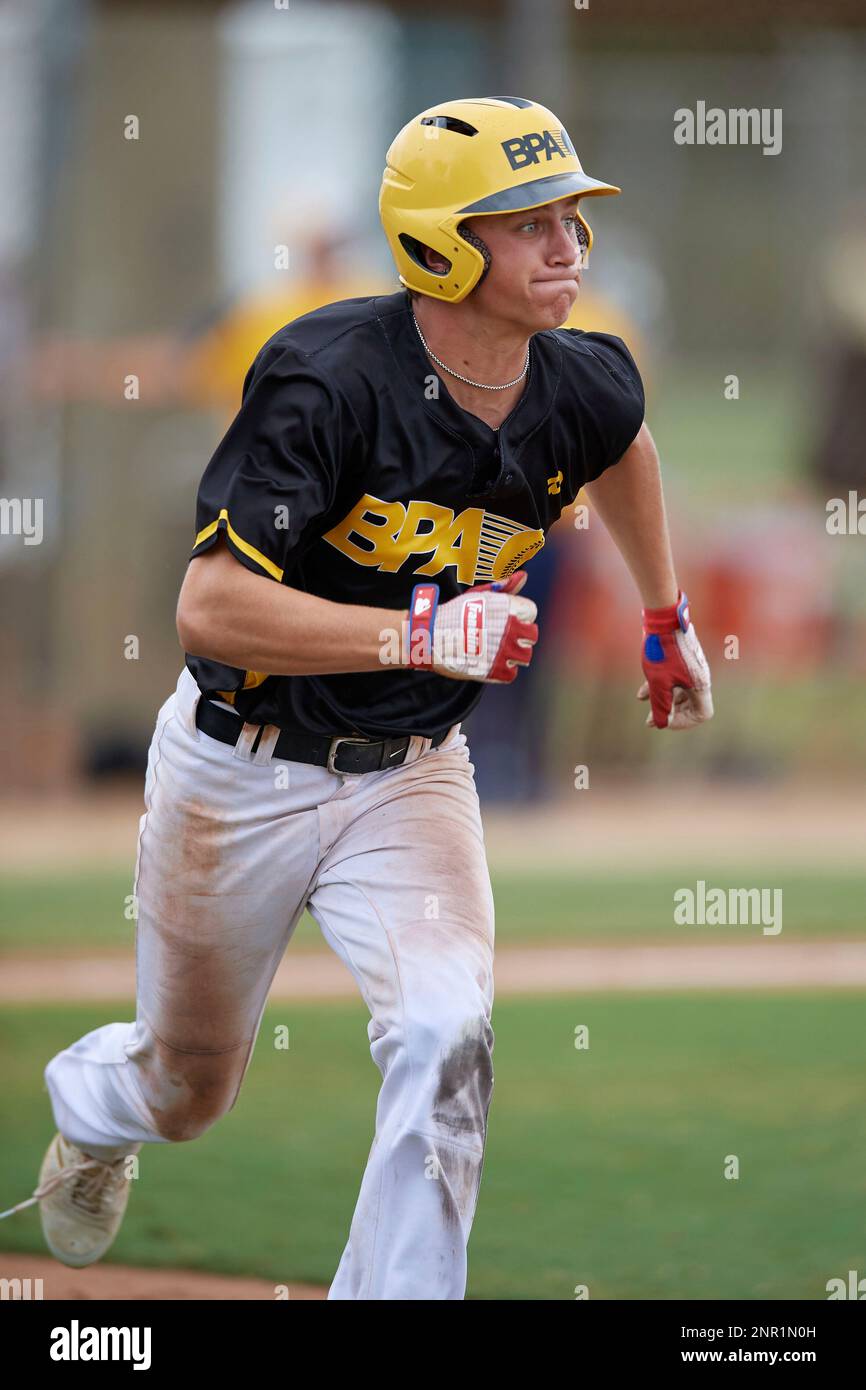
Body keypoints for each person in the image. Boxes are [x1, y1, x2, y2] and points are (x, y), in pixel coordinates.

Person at [6, 96, 713, 1300]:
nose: (567, 247)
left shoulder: (581, 375)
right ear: (441, 241)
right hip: (241, 762)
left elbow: (624, 448)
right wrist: (422, 628)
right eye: (527, 222)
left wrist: (663, 618)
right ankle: (93, 1106)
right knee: (187, 1089)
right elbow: (209, 610)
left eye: (569, 219)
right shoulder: (327, 376)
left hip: (412, 774)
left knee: (447, 1036)